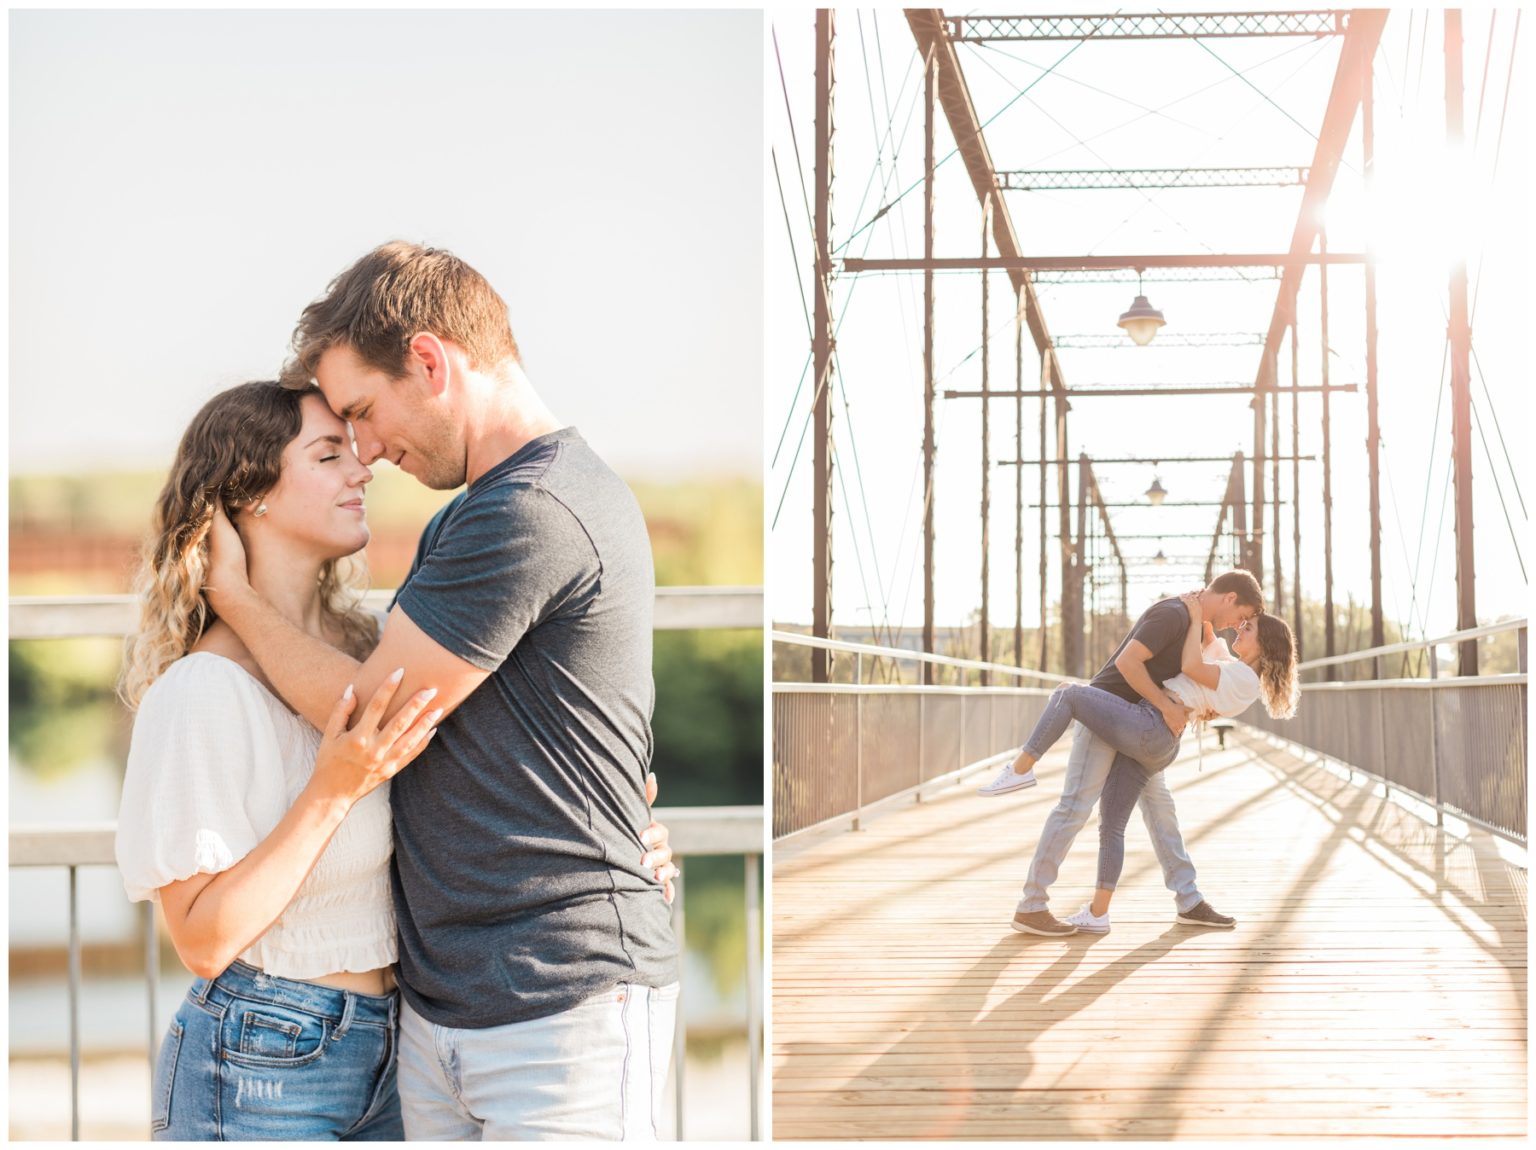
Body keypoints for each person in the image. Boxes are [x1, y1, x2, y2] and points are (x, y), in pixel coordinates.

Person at [203, 241, 681, 1140]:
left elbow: (369, 719)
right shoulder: (484, 510)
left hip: (553, 1006)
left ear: (428, 361)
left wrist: (233, 599)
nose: (367, 449)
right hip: (455, 1010)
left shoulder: (531, 508)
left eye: (362, 412)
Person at [115, 381, 445, 1140]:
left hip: (401, 1052)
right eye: (328, 455)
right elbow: (203, 941)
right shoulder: (203, 692)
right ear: (250, 495)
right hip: (262, 1059)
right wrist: (332, 791)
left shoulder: (372, 651)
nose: (362, 470)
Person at [979, 591, 1298, 933]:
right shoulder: (1235, 670)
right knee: (1118, 821)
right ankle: (1102, 913)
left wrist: (1193, 614)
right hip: (1159, 738)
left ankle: (1021, 770)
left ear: (1264, 645)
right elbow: (1210, 640)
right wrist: (1202, 610)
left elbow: (1192, 663)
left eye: (1247, 628)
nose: (1237, 629)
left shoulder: (1243, 679)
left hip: (1148, 725)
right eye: (1240, 621)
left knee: (1068, 695)